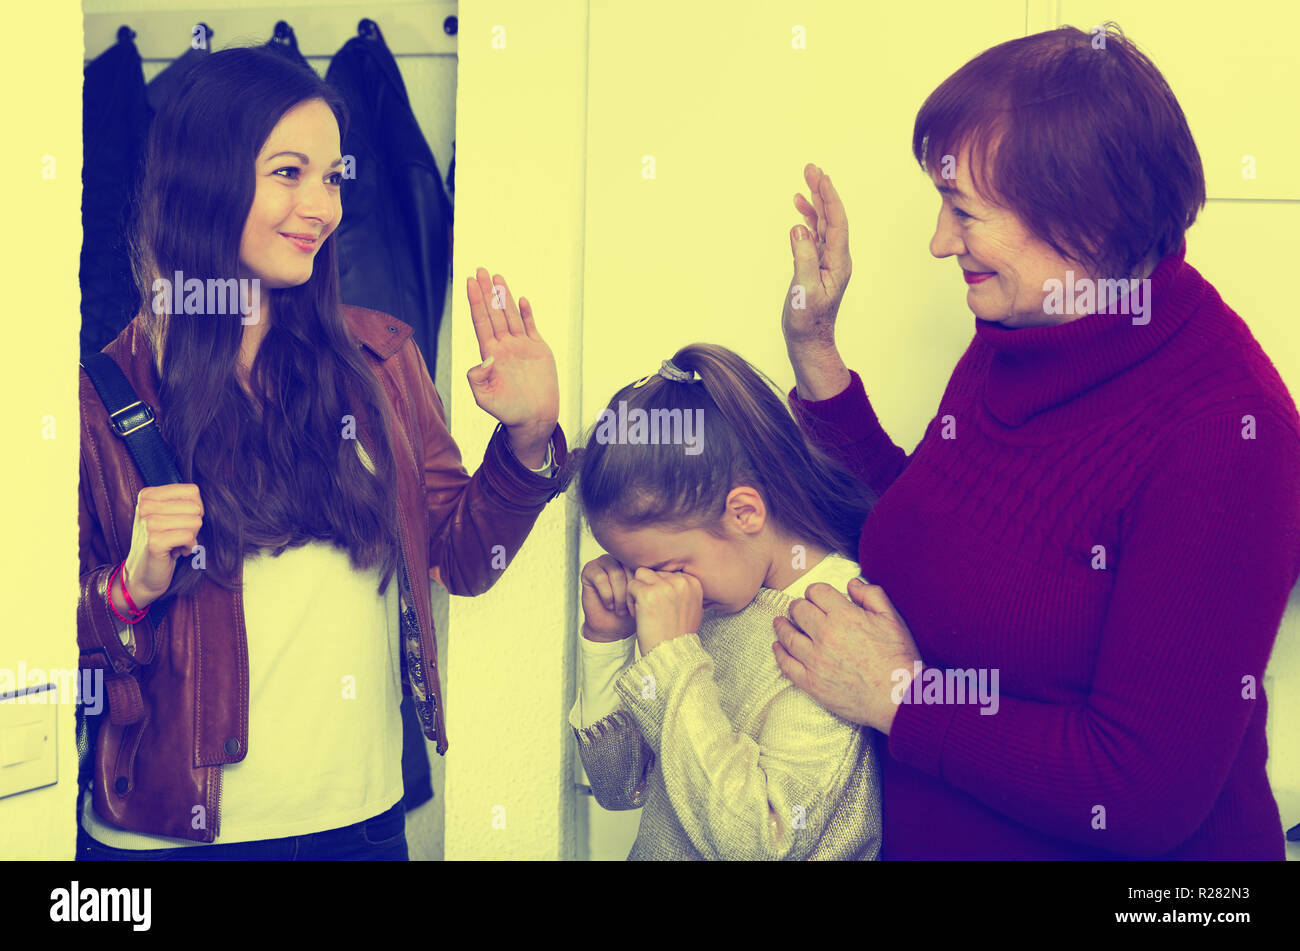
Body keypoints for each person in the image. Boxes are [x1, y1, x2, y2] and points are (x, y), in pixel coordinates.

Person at [773, 23, 1300, 859]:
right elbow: (934, 530)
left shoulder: (1228, 437)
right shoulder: (1032, 321)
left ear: (1085, 223)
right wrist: (815, 351)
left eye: (964, 212)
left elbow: (1136, 790)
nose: (940, 242)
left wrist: (902, 697)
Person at [76, 46, 567, 860]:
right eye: (290, 172)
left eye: (334, 177)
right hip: (174, 839)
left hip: (361, 826)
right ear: (206, 177)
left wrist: (526, 438)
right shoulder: (104, 395)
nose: (323, 206)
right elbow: (42, 638)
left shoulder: (380, 359)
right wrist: (128, 588)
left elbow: (457, 556)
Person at [569, 344, 882, 860]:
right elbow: (620, 787)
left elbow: (758, 845)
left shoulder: (831, 632)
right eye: (632, 569)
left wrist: (672, 659)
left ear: (744, 513)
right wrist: (607, 641)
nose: (648, 590)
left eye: (662, 568)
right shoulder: (713, 598)